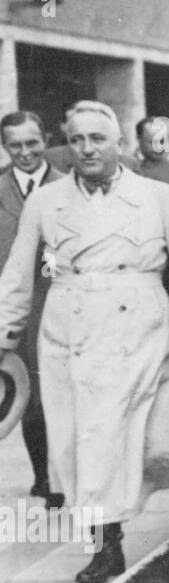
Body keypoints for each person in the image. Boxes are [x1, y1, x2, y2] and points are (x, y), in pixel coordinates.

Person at [0, 101, 169, 583]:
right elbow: (18, 273)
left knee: (157, 435)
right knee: (87, 446)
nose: (87, 149)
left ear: (119, 145)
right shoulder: (46, 202)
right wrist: (4, 334)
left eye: (97, 139)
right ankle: (106, 545)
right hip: (71, 331)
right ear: (67, 145)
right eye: (77, 140)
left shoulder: (159, 197)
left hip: (142, 325)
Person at [0, 111, 65, 507]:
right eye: (14, 145)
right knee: (29, 399)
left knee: (64, 395)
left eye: (32, 143)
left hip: (62, 306)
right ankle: (43, 476)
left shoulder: (70, 187)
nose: (24, 153)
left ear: (46, 139)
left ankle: (64, 476)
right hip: (17, 312)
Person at [135, 116, 169, 184]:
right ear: (139, 139)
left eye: (162, 141)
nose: (158, 148)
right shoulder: (127, 168)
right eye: (152, 142)